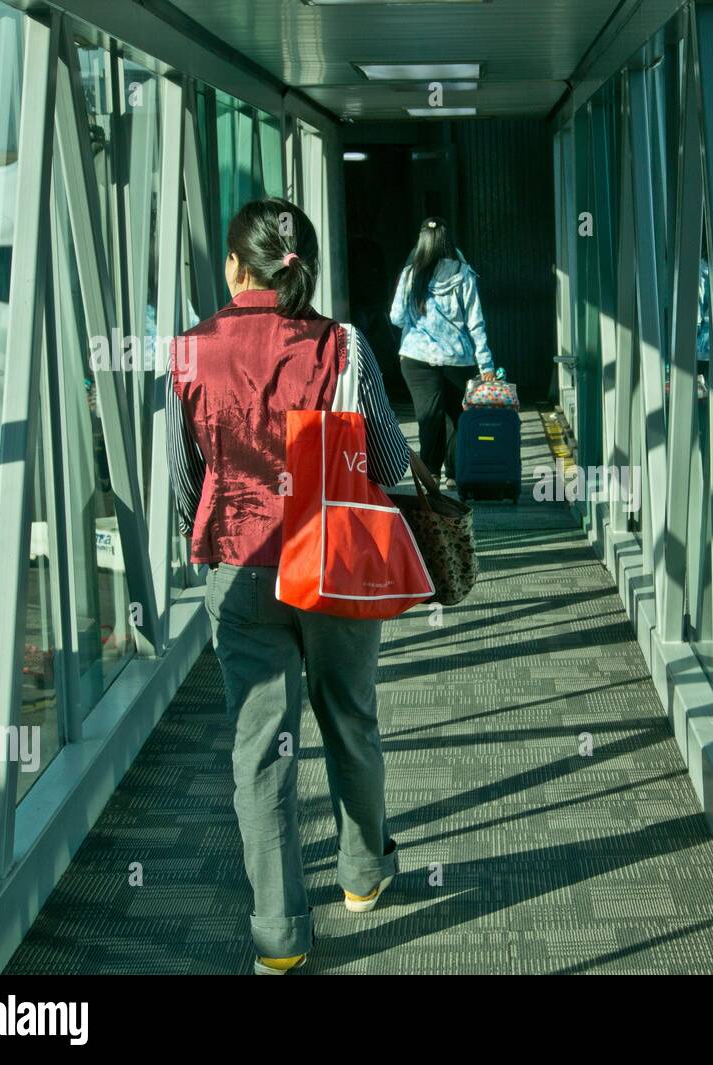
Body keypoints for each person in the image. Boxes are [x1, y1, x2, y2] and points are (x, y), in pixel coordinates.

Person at [166, 198, 423, 975]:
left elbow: (184, 476)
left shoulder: (190, 349)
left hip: (241, 569)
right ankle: (361, 873)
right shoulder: (340, 344)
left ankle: (278, 936)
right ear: (300, 264)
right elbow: (385, 458)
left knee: (260, 753)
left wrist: (207, 536)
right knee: (351, 718)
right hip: (333, 565)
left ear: (237, 267)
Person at [390, 217, 496, 488]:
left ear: (421, 243)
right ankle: (454, 474)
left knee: (428, 416)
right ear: (448, 243)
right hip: (457, 359)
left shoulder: (411, 274)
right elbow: (476, 322)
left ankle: (430, 474)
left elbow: (396, 318)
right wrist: (486, 365)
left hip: (417, 359)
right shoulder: (463, 273)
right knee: (456, 417)